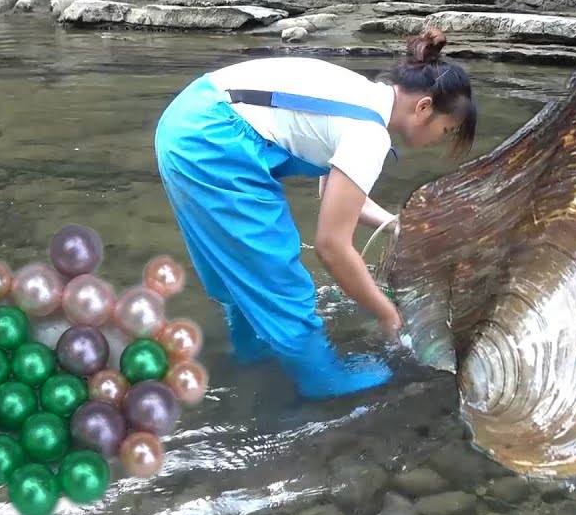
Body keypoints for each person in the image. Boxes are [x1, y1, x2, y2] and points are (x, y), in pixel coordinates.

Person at [153, 27, 478, 400]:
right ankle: (321, 380)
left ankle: (252, 350)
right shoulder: (369, 134)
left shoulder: (366, 97)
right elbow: (332, 246)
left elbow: (334, 193)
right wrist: (388, 314)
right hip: (213, 140)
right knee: (275, 270)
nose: (438, 139)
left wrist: (393, 225)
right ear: (423, 108)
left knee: (240, 260)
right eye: (445, 129)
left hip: (186, 121)